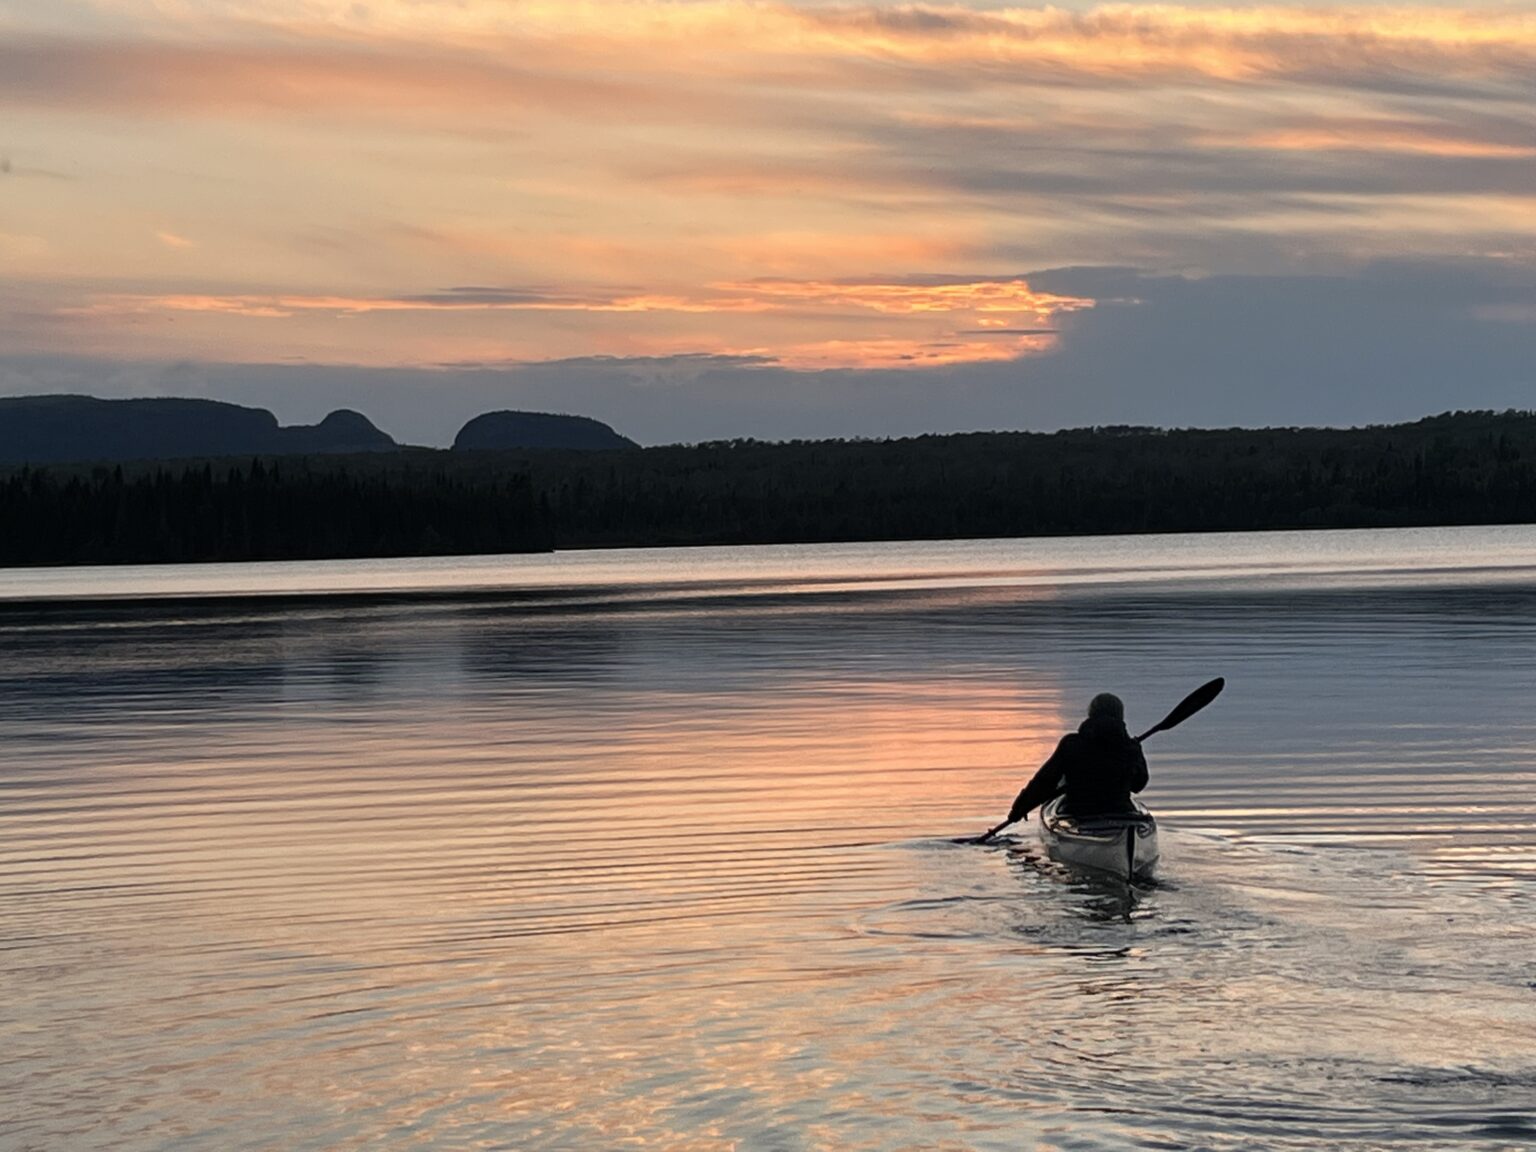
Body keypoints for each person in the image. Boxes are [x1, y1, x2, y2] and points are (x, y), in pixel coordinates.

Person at [1006, 692, 1148, 824]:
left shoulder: (1071, 744)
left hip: (1078, 812)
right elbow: (1138, 785)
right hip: (1120, 810)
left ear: (1091, 715)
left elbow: (1045, 781)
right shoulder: (1130, 746)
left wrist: (1020, 808)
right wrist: (1136, 753)